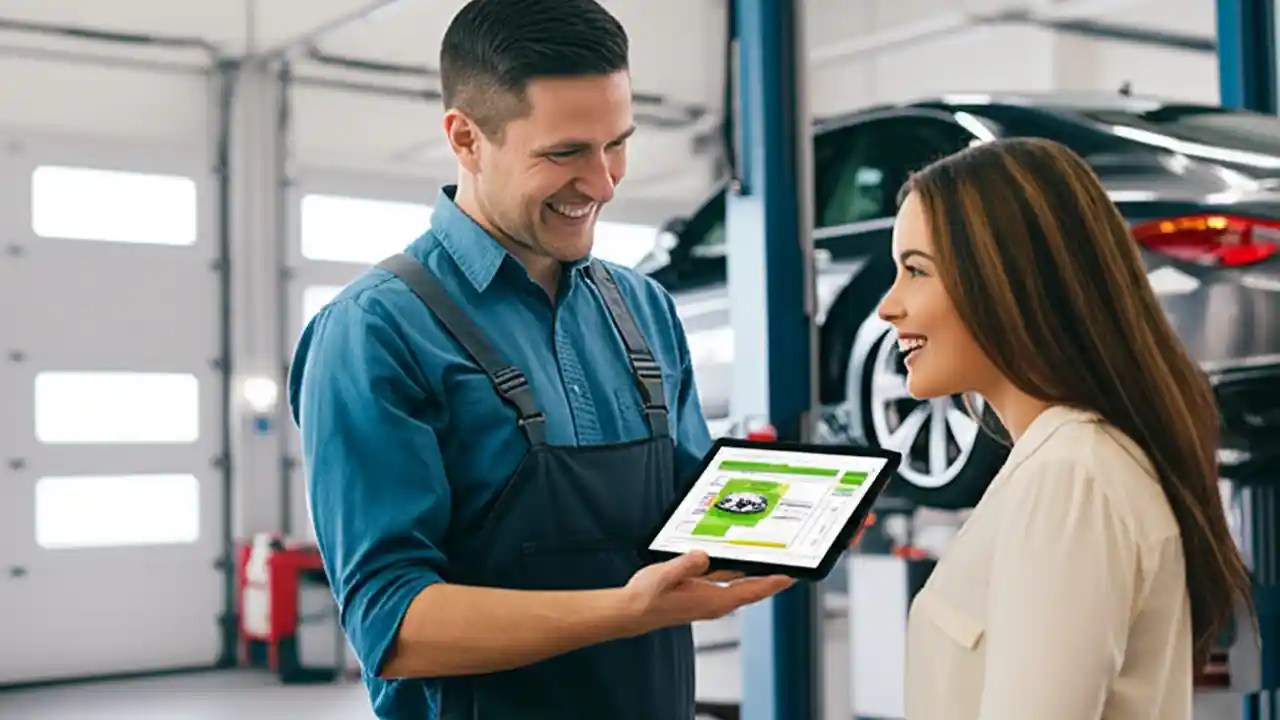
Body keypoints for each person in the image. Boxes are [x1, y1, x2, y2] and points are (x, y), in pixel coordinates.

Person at [287, 1, 792, 718]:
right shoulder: (375, 332)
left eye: (617, 143)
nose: (605, 182)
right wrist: (622, 612)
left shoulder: (644, 309)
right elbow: (393, 626)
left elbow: (683, 523)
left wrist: (789, 519)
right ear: (466, 137)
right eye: (565, 153)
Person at [878, 137, 1255, 719]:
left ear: (1005, 277)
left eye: (915, 271)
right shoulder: (1060, 463)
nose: (888, 306)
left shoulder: (1071, 476)